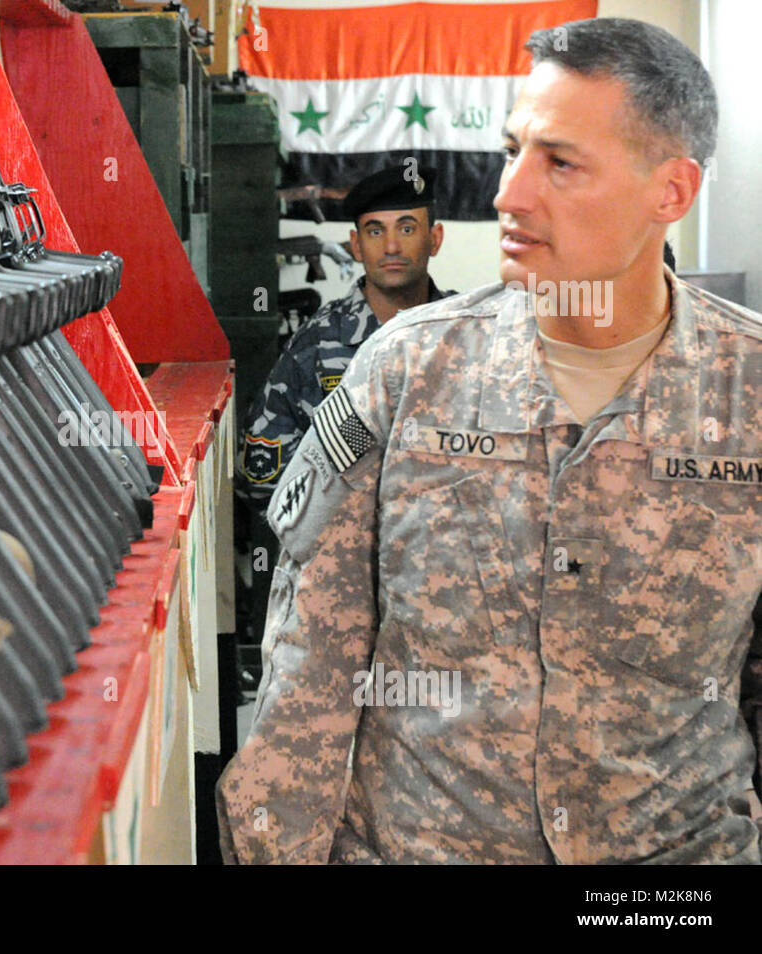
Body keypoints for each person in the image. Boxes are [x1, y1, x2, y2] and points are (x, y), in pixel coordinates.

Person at [217, 16, 762, 864]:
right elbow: (310, 662)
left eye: (560, 162)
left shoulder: (751, 392)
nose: (509, 193)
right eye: (513, 151)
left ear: (673, 192)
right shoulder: (405, 370)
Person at [236, 165, 453, 507]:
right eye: (375, 231)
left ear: (435, 239)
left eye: (407, 228)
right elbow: (260, 482)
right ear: (356, 245)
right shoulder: (317, 345)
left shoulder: (466, 334)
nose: (392, 246)